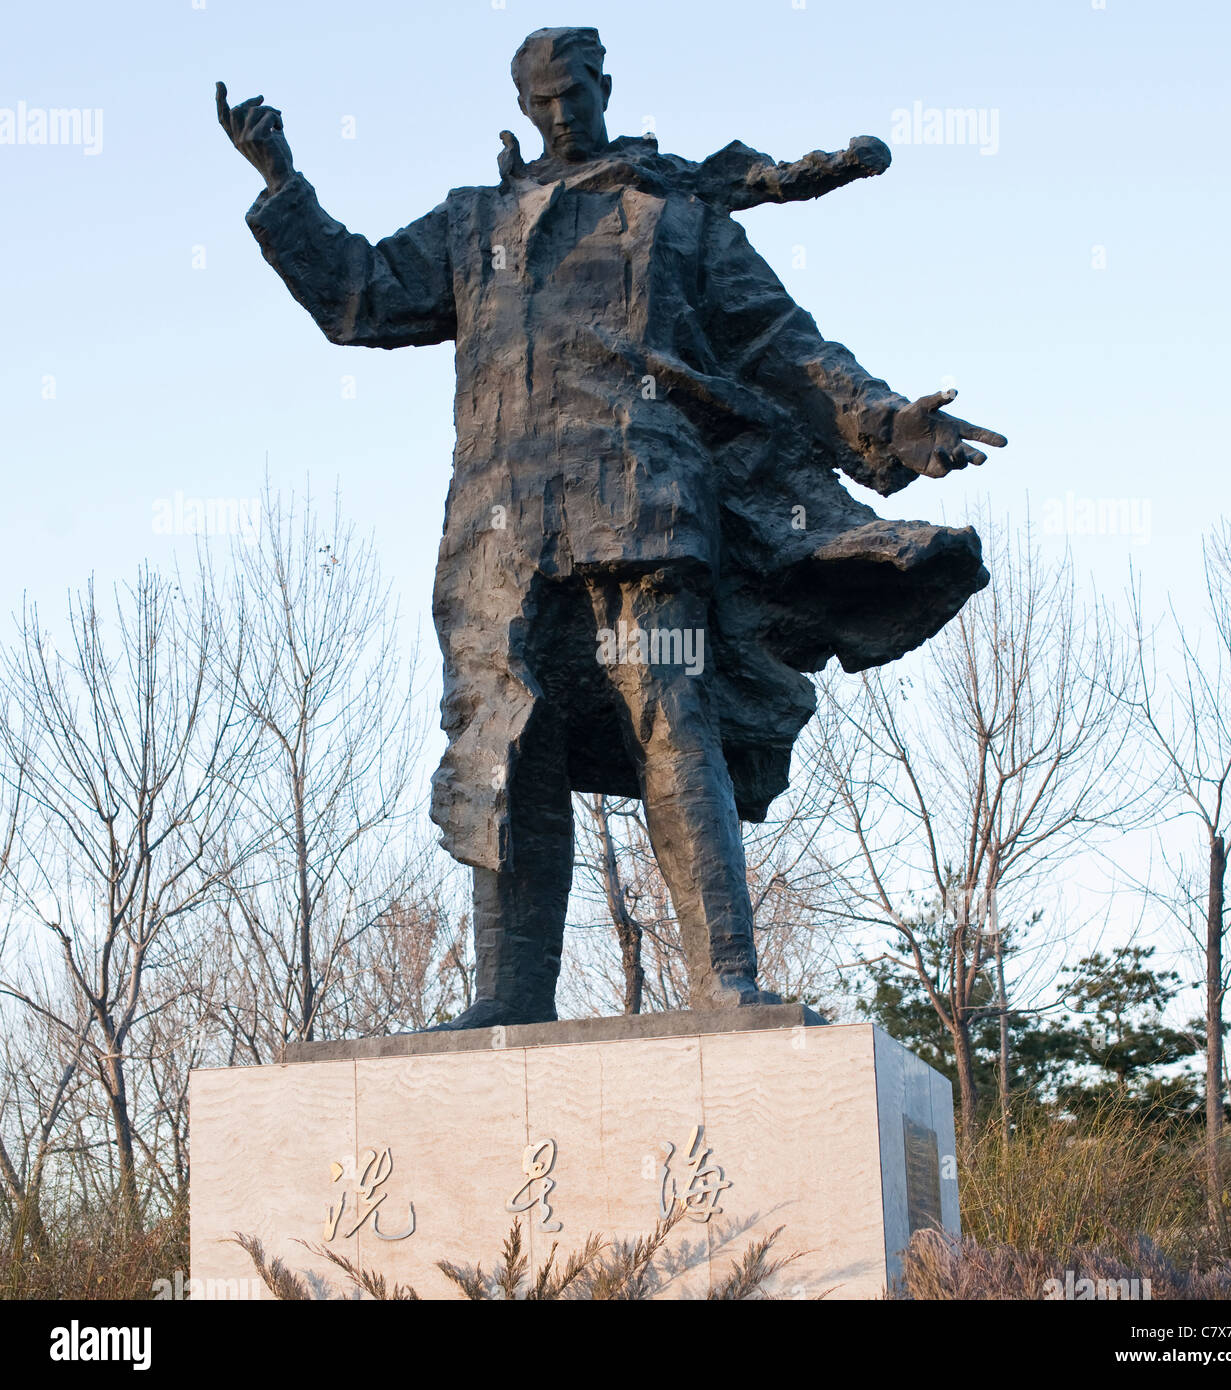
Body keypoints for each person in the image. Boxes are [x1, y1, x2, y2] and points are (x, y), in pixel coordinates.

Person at [216, 26, 1006, 1028]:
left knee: (671, 718)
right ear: (520, 107)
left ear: (603, 86)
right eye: (540, 95)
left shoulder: (677, 218)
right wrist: (283, 181)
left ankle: (724, 980)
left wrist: (888, 424)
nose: (559, 109)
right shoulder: (474, 226)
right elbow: (361, 294)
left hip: (646, 512)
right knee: (508, 747)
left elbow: (784, 348)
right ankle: (506, 995)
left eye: (574, 88)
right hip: (499, 537)